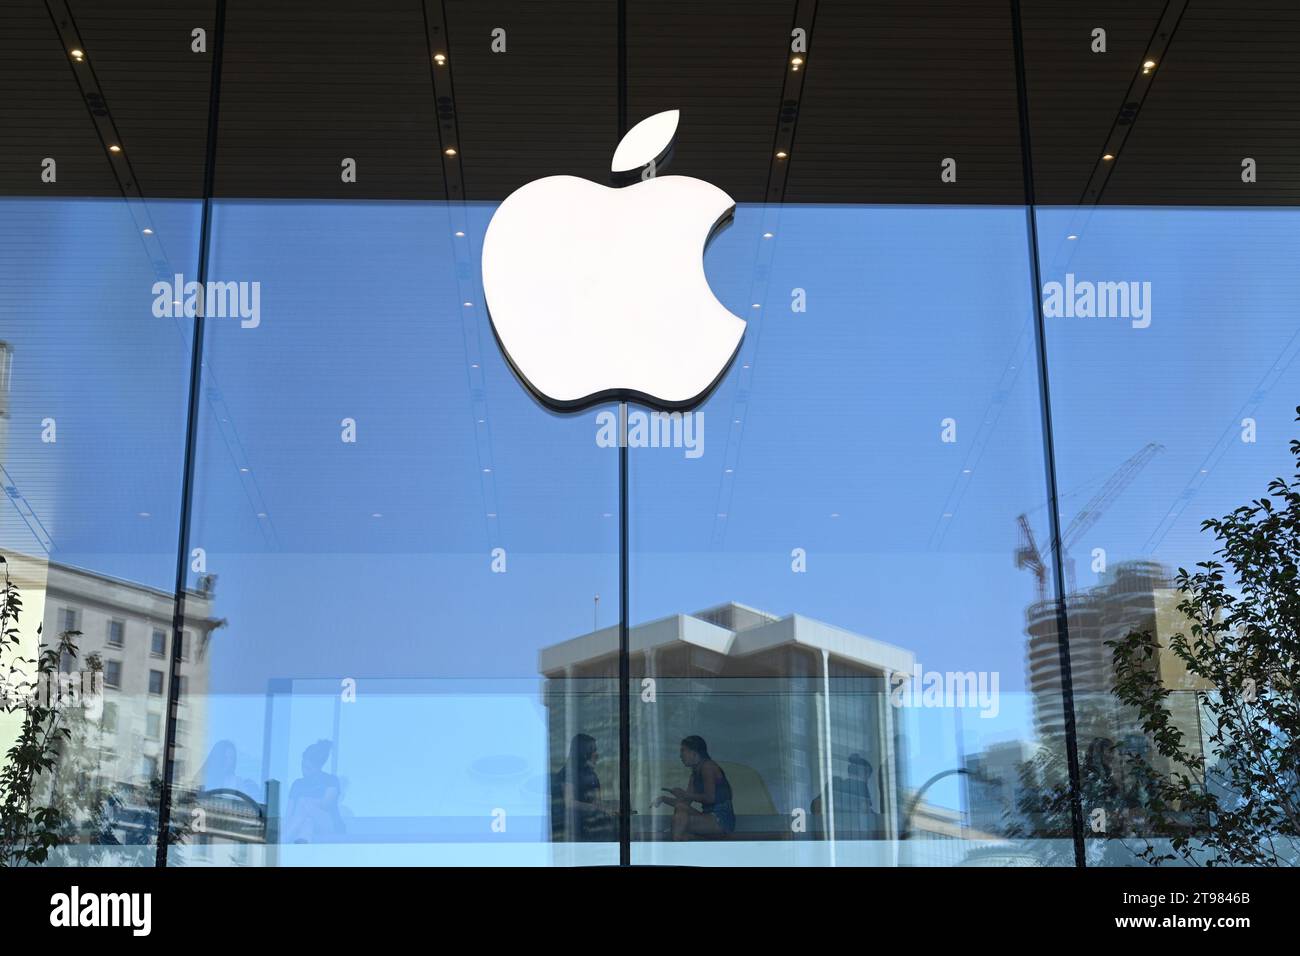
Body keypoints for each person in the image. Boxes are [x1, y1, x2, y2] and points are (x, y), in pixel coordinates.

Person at [652, 735, 735, 840]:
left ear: (694, 753)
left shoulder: (708, 767)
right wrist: (663, 799)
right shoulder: (695, 773)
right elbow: (684, 803)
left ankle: (678, 840)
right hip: (707, 817)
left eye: (683, 751)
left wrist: (685, 794)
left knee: (678, 823)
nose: (680, 756)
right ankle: (682, 837)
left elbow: (710, 798)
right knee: (680, 809)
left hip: (720, 820)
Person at [552, 733, 616, 841]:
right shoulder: (568, 772)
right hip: (576, 828)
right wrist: (595, 808)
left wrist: (610, 806)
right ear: (584, 753)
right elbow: (569, 803)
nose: (597, 754)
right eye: (593, 750)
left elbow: (596, 801)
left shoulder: (590, 774)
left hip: (591, 824)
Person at [283, 739, 344, 844]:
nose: (304, 771)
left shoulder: (331, 781)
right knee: (307, 822)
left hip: (328, 825)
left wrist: (307, 801)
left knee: (303, 803)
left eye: (308, 768)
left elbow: (326, 804)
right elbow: (288, 814)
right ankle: (302, 846)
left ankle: (283, 840)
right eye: (302, 766)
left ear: (318, 767)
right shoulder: (297, 784)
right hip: (305, 823)